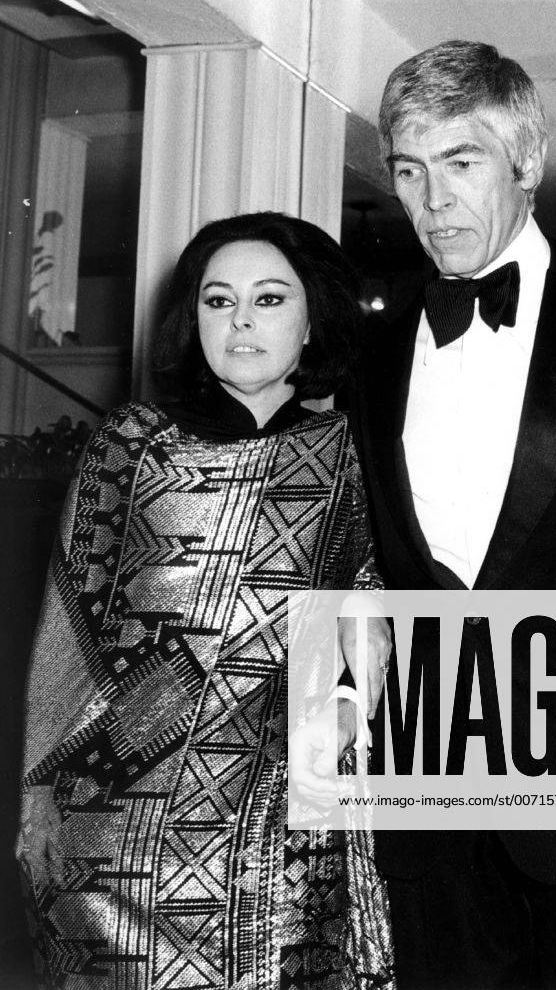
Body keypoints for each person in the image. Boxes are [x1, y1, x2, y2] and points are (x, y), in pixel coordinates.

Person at [294, 40, 556, 990]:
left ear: (528, 161)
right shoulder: (375, 350)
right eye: (408, 171)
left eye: (461, 162)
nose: (433, 201)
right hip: (430, 760)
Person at [16, 212, 395, 990]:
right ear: (194, 321)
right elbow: (68, 630)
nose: (241, 321)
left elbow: (367, 607)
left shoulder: (348, 457)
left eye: (269, 299)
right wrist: (42, 804)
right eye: (219, 301)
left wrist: (347, 708)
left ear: (312, 321)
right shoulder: (130, 446)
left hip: (283, 837)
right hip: (115, 840)